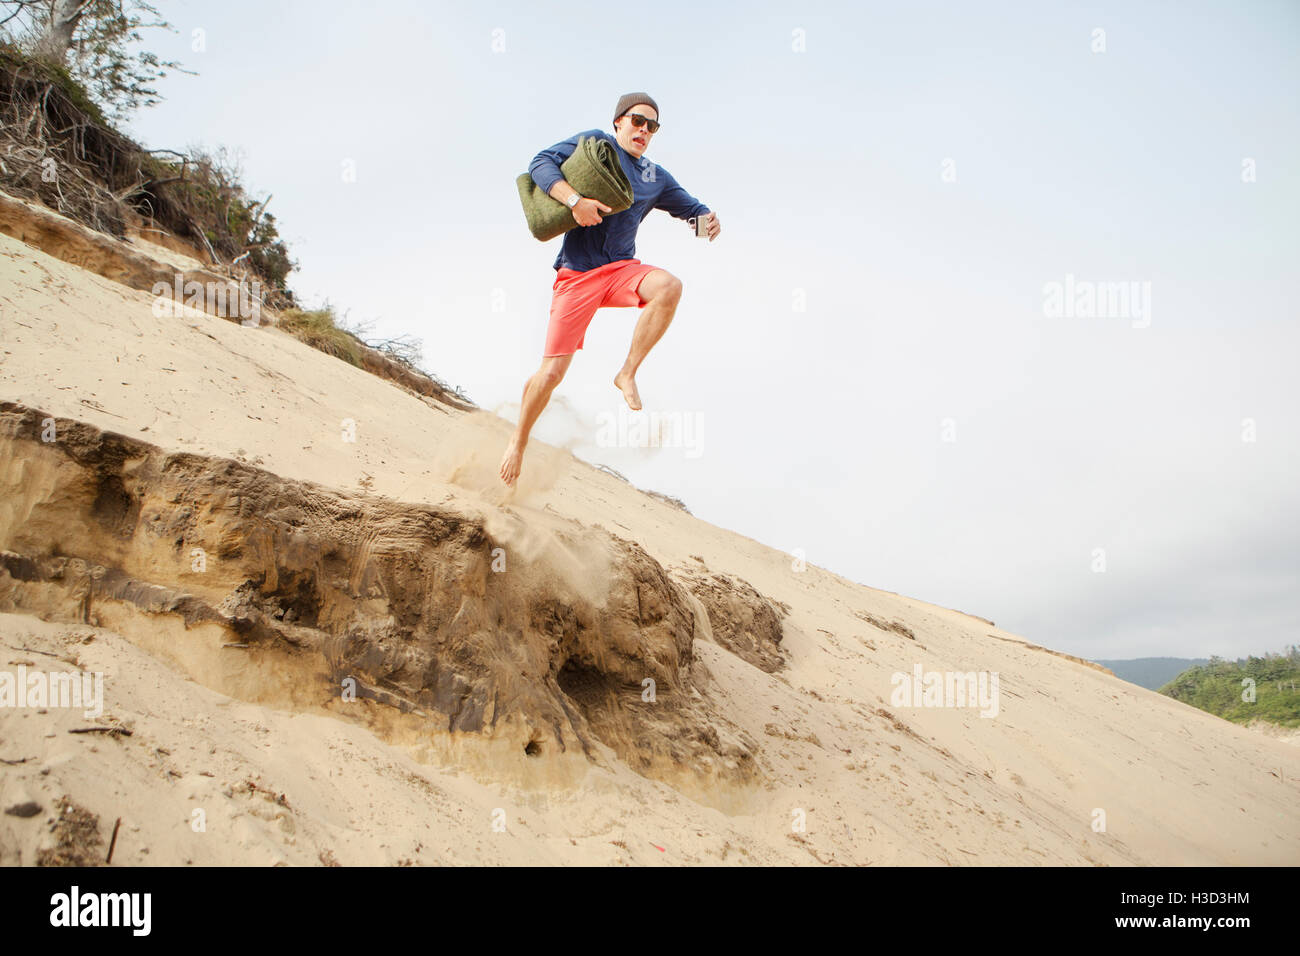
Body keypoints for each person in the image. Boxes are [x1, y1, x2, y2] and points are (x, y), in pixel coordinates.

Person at [498, 92, 721, 486]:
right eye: (637, 121)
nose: (644, 131)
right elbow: (540, 163)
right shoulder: (594, 144)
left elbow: (691, 210)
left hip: (621, 269)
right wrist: (575, 200)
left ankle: (627, 373)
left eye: (652, 126)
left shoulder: (655, 177)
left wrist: (706, 220)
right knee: (552, 373)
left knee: (669, 286)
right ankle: (517, 442)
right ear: (619, 121)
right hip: (577, 275)